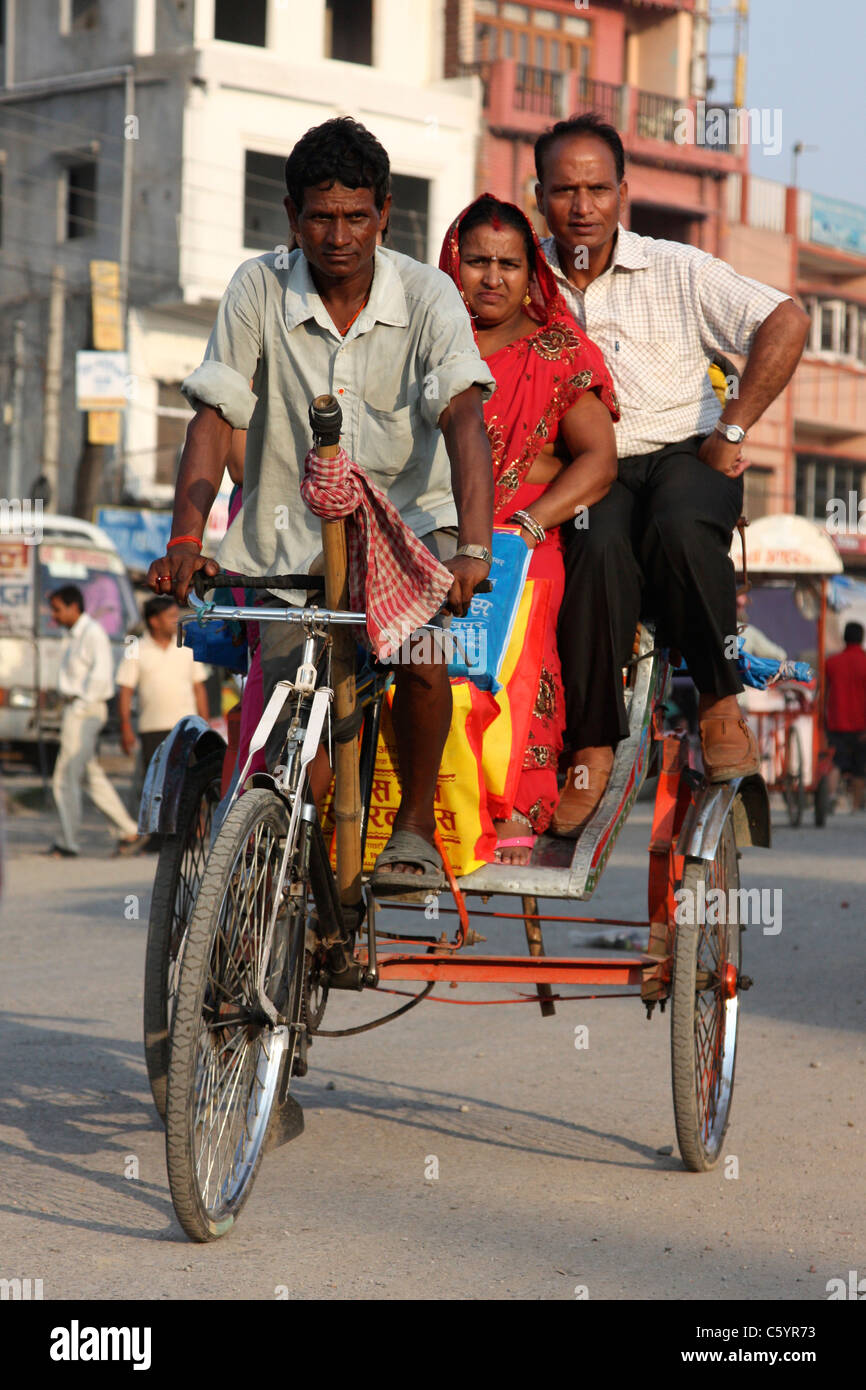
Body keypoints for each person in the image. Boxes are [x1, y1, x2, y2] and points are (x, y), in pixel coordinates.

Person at [146, 117, 496, 895]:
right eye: (320, 217)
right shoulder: (257, 287)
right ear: (291, 215)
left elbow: (465, 420)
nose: (338, 235)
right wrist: (183, 537)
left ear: (386, 212)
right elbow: (214, 412)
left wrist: (472, 548)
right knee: (280, 700)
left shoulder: (429, 294)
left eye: (356, 216)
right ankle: (278, 846)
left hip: (412, 522)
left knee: (422, 650)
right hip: (287, 531)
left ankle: (410, 829)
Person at [533, 113, 810, 834]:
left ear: (624, 191)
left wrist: (735, 425)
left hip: (688, 453)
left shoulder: (678, 267)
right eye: (565, 190)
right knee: (592, 549)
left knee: (682, 526)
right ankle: (590, 749)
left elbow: (788, 318)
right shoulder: (525, 278)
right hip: (590, 469)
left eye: (597, 187)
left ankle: (718, 703)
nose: (582, 205)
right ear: (540, 196)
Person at [440, 194, 618, 863]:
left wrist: (525, 525)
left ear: (531, 272)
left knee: (514, 616)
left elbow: (599, 463)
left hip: (522, 538)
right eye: (476, 261)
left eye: (508, 263)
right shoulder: (427, 343)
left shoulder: (558, 350)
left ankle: (511, 799)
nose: (491, 277)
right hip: (436, 532)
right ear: (451, 267)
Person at [46, 585, 144, 858]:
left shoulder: (92, 634)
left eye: (57, 609)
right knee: (90, 777)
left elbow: (100, 679)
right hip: (77, 709)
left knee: (64, 777)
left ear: (74, 607)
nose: (54, 615)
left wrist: (78, 709)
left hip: (85, 711)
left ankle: (68, 842)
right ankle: (128, 829)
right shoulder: (74, 635)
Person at [115, 596, 210, 779]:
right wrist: (125, 727)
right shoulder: (136, 649)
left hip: (187, 727)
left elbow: (199, 688)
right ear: (154, 621)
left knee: (189, 781)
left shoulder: (186, 647)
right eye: (171, 616)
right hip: (152, 728)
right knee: (156, 781)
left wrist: (205, 726)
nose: (177, 620)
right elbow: (126, 691)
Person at [825, 620, 866, 811]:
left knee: (836, 762)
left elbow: (824, 692)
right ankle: (855, 806)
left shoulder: (831, 662)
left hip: (836, 722)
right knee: (860, 767)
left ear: (844, 637)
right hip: (861, 726)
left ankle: (831, 797)